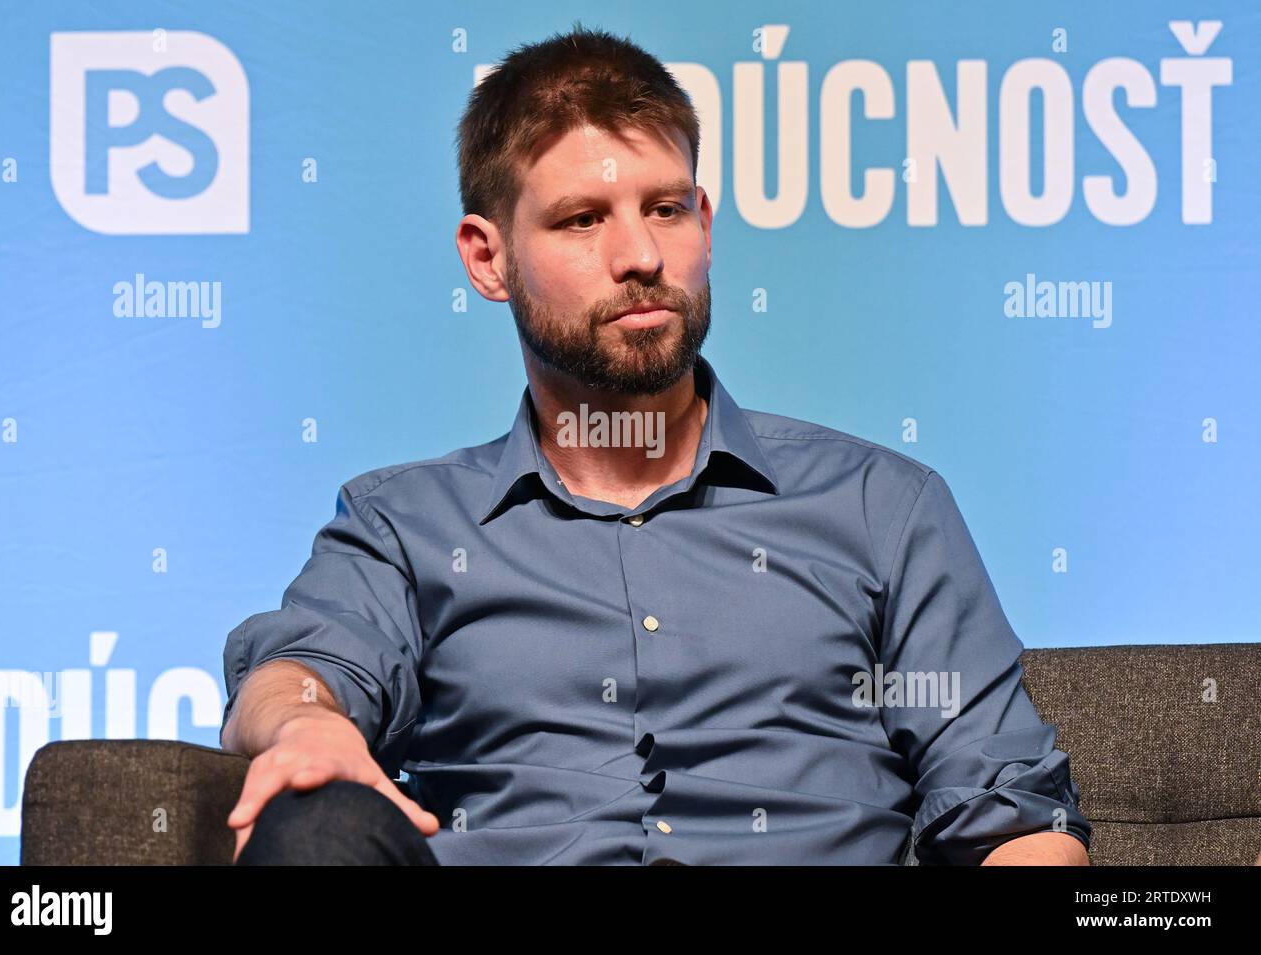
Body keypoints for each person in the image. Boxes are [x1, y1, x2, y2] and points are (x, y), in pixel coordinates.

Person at [220, 24, 1091, 866]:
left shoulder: (879, 507)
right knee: (314, 821)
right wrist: (309, 723)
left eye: (666, 208)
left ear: (705, 225)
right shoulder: (405, 525)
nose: (640, 254)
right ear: (488, 260)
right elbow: (299, 671)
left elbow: (1011, 811)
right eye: (580, 220)